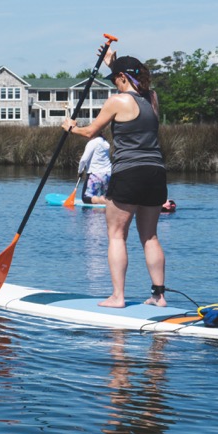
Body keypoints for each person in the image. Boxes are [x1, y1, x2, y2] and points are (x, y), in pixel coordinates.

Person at [62, 52, 167, 308]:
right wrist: (115, 63)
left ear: (122, 78)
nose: (114, 85)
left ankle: (118, 297)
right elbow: (133, 83)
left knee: (117, 235)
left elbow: (90, 131)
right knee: (150, 237)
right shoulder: (152, 99)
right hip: (156, 172)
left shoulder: (116, 101)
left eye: (116, 79)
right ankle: (159, 296)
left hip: (128, 172)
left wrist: (69, 127)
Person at [77, 129, 112, 205]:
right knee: (105, 195)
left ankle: (100, 201)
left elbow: (84, 159)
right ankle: (104, 200)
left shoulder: (92, 143)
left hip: (95, 174)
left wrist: (80, 171)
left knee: (86, 197)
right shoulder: (105, 143)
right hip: (108, 174)